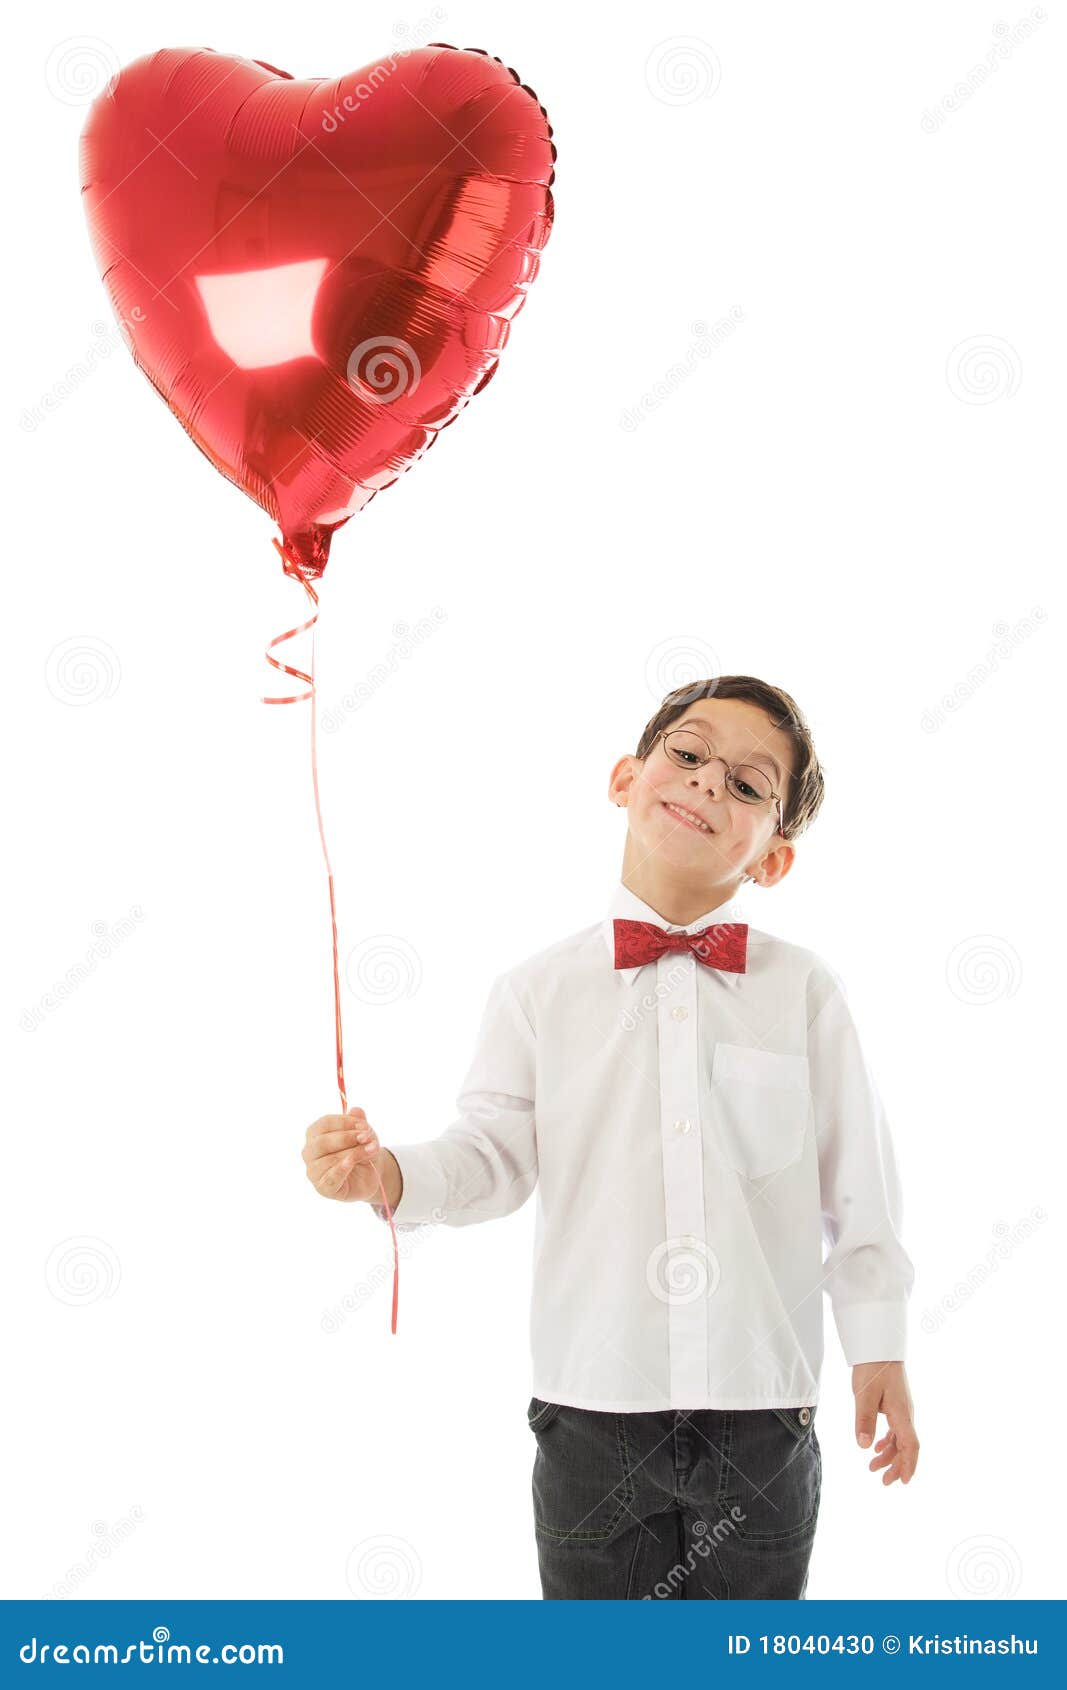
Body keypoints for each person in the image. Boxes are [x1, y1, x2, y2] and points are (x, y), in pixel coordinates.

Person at [301, 676, 918, 1599]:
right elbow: (492, 1157)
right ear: (625, 778)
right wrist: (387, 1175)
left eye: (747, 785)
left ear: (773, 859)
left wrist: (879, 1344)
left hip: (762, 1410)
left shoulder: (803, 991)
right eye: (688, 754)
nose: (707, 781)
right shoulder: (536, 991)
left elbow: (859, 1186)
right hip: (590, 1413)